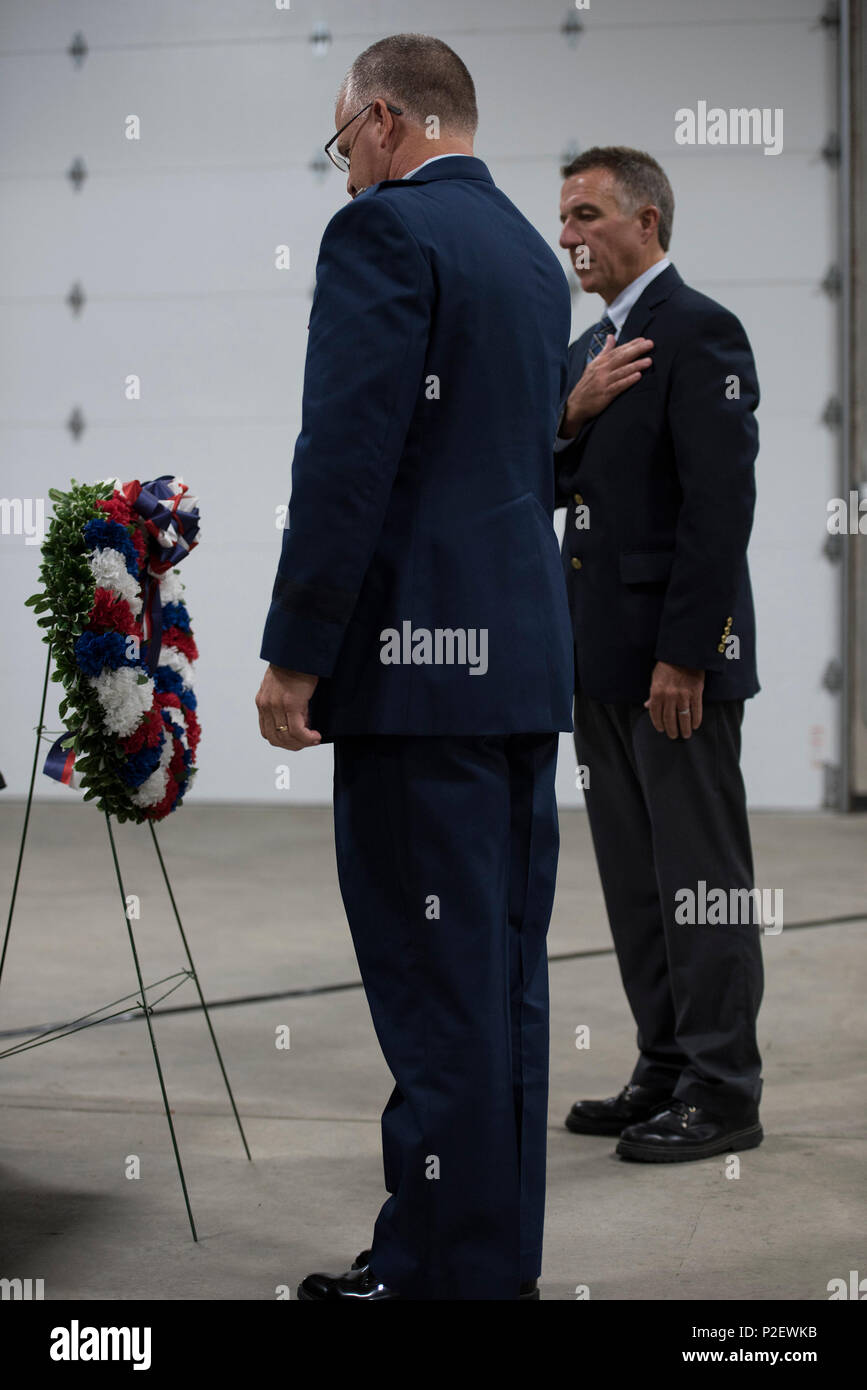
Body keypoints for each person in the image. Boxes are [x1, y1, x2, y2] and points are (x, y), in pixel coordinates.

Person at [255, 33, 574, 1298]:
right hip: (514, 678)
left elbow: (347, 460)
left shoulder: (385, 235)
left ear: (384, 120)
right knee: (498, 985)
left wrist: (295, 653)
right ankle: (489, 1265)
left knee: (434, 992)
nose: (344, 178)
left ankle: (439, 1275)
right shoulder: (526, 253)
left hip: (414, 681)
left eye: (343, 148)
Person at [554, 146, 765, 1162]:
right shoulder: (593, 350)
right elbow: (544, 481)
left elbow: (721, 511)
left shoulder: (698, 330)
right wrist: (573, 407)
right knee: (636, 882)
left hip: (675, 666)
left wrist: (686, 654)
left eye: (588, 215)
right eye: (566, 219)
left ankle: (724, 1087)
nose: (569, 237)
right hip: (597, 662)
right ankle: (665, 1062)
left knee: (699, 879)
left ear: (647, 220)